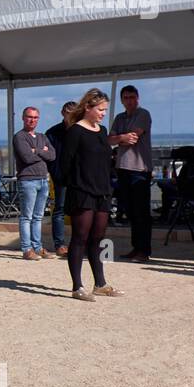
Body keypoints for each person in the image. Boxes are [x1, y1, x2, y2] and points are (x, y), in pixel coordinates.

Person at [58, 89, 124, 301]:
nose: (104, 113)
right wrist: (75, 185)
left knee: (98, 238)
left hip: (102, 191)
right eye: (101, 109)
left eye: (105, 109)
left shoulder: (102, 130)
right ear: (88, 107)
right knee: (80, 238)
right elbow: (64, 164)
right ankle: (77, 287)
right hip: (82, 192)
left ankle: (100, 283)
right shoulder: (75, 131)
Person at [108, 85, 153, 262]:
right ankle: (137, 247)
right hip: (123, 168)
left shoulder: (143, 114)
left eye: (132, 97)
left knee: (141, 212)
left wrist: (120, 138)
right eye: (126, 98)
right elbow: (110, 140)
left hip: (140, 169)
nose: (130, 100)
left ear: (138, 98)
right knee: (131, 211)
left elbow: (134, 136)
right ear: (121, 100)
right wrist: (121, 138)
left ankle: (144, 250)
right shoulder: (120, 117)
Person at [13, 107, 56, 259]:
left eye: (36, 117)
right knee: (27, 217)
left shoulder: (42, 136)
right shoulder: (19, 137)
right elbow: (26, 158)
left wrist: (35, 150)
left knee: (38, 217)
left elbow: (52, 155)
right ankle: (27, 249)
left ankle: (38, 248)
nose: (33, 120)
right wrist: (41, 151)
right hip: (28, 180)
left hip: (43, 180)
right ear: (23, 118)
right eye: (30, 117)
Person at [46, 101, 77, 256]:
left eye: (73, 113)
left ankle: (78, 244)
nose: (70, 116)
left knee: (79, 211)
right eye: (67, 113)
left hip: (79, 178)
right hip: (61, 178)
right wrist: (56, 173)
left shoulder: (81, 130)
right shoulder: (52, 132)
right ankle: (60, 245)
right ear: (62, 113)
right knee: (59, 210)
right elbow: (48, 157)